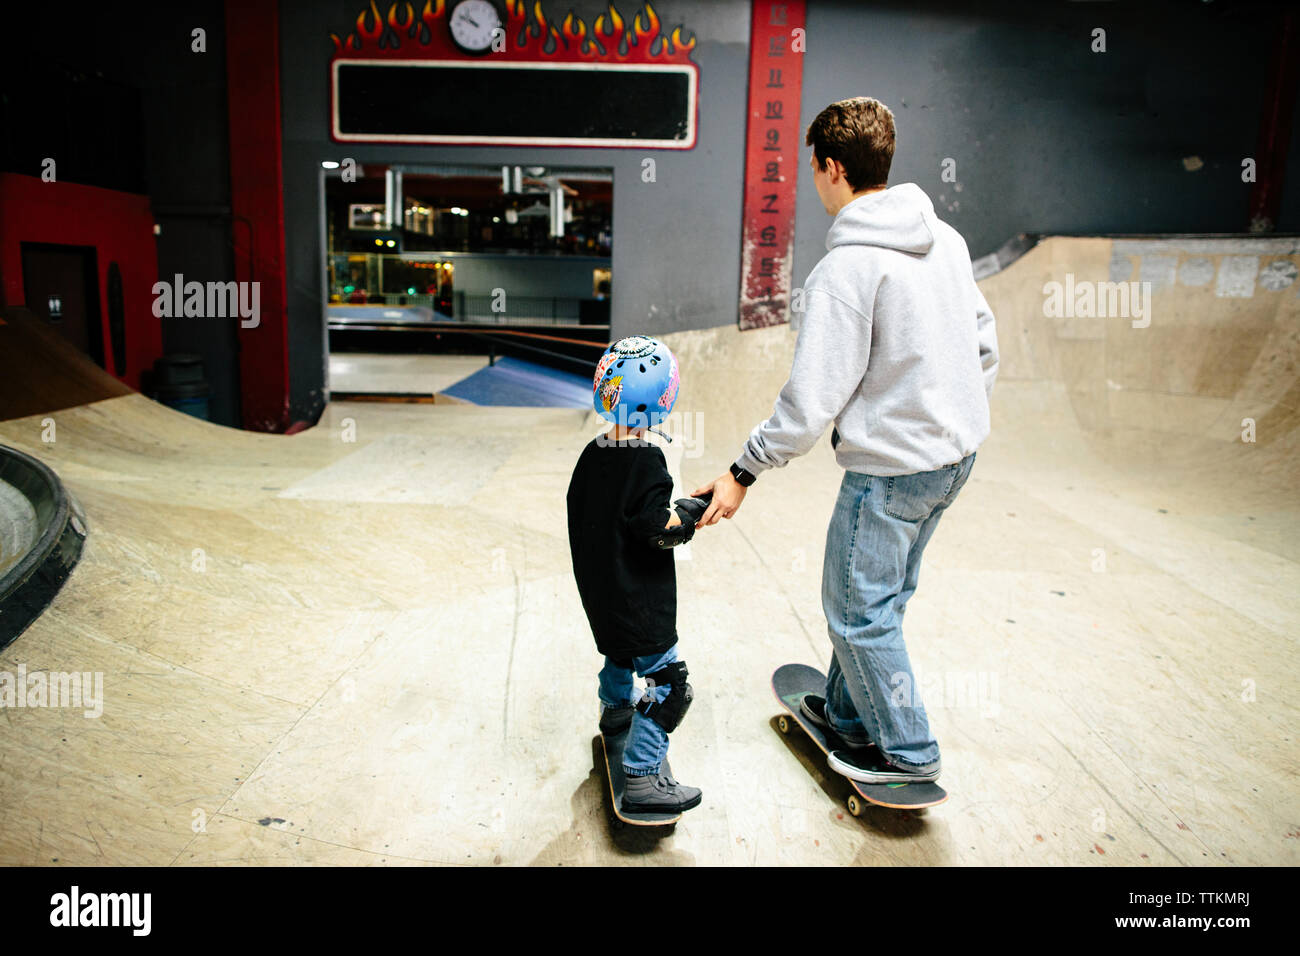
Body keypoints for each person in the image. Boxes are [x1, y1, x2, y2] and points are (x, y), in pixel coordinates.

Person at [693, 96, 999, 786]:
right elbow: (985, 346)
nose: (813, 180)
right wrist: (953, 416)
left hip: (890, 474)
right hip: (955, 459)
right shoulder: (946, 241)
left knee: (859, 616)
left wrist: (744, 469)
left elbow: (809, 403)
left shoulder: (846, 271)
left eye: (814, 168)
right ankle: (848, 715)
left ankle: (909, 751)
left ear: (832, 167)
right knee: (879, 598)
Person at [567, 335, 710, 814]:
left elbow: (595, 515)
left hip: (602, 597)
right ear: (662, 400)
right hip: (640, 602)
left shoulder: (593, 452)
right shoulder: (648, 461)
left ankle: (615, 713)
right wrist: (685, 519)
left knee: (618, 656)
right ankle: (644, 777)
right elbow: (655, 531)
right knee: (671, 685)